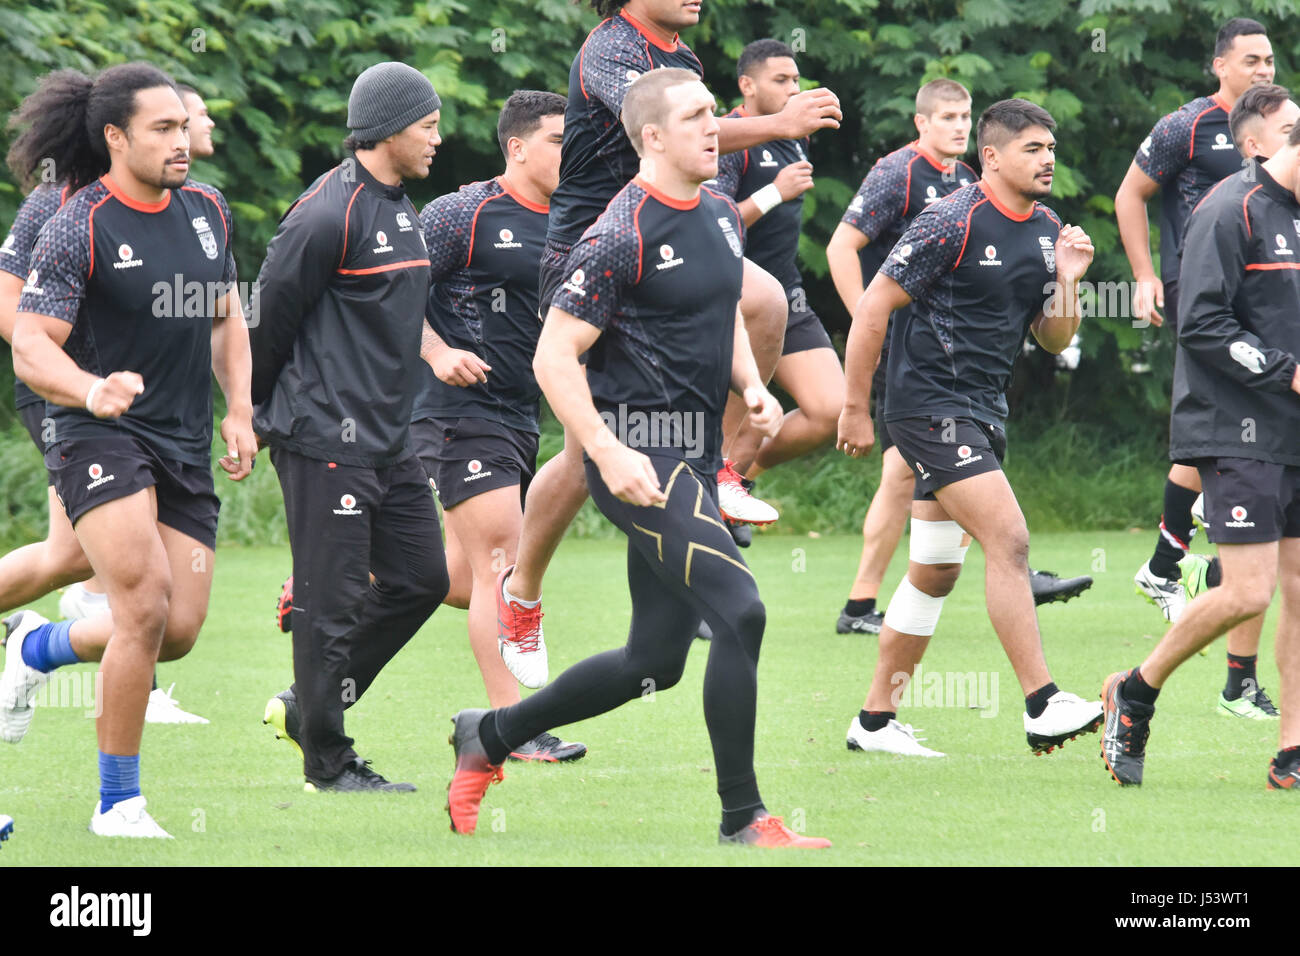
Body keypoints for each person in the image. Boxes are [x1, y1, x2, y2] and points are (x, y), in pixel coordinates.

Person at [447, 69, 830, 849]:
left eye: (711, 115)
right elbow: (556, 357)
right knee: (743, 610)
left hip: (694, 452)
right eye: (694, 118)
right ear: (651, 137)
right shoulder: (620, 233)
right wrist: (605, 450)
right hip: (640, 457)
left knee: (652, 662)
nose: (713, 128)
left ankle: (486, 734)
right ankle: (743, 818)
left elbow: (716, 307)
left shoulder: (720, 211)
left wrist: (753, 385)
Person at [495, 0, 842, 684]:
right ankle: (522, 592)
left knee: (765, 300)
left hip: (671, 237)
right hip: (595, 250)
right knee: (580, 447)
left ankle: (723, 466)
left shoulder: (681, 56)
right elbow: (660, 130)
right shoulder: (609, 49)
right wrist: (776, 124)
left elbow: (695, 145)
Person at [3, 62, 255, 837]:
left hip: (180, 437)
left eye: (185, 126)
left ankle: (36, 646)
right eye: (164, 129)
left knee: (173, 631)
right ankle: (119, 804)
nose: (183, 142)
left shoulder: (208, 209)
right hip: (96, 432)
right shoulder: (77, 221)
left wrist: (239, 408)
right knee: (140, 599)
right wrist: (87, 390)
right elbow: (31, 345)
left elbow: (224, 317)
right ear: (115, 137)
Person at [836, 99, 1103, 758]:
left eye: (1050, 148)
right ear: (992, 156)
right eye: (1033, 149)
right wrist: (851, 408)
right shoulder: (949, 220)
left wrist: (1069, 280)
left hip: (983, 413)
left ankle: (874, 722)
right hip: (928, 408)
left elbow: (1051, 337)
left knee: (933, 571)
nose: (1048, 160)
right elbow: (873, 308)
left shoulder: (1046, 228)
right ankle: (1043, 702)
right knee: (1009, 541)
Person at [253, 62, 450, 793]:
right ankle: (327, 766)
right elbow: (265, 323)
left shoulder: (401, 206)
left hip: (390, 442)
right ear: (388, 129)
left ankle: (307, 709)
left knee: (423, 579)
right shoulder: (324, 214)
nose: (437, 138)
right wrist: (256, 416)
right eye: (426, 126)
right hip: (323, 440)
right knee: (328, 607)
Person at [1100, 121, 1300, 790]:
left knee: (1299, 594)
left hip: (1295, 433)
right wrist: (1285, 370)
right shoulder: (1229, 208)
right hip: (1234, 425)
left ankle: (1291, 753)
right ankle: (1136, 689)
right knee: (1248, 591)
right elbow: (1204, 322)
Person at [411, 90, 584, 760]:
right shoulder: (462, 212)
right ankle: (511, 731)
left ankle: (343, 577)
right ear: (517, 147)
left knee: (449, 579)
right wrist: (438, 351)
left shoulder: (578, 223)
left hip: (520, 414)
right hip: (457, 410)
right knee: (499, 566)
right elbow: (393, 293)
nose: (572, 155)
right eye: (557, 142)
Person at [1117, 17, 1274, 621]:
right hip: (1200, 288)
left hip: (1265, 290)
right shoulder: (1186, 125)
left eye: (1269, 60)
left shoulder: (1279, 129)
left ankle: (1171, 561)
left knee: (1234, 421)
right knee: (1243, 412)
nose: (1263, 70)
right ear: (1221, 66)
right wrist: (1145, 275)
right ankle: (1199, 546)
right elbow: (1129, 195)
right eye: (1251, 60)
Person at [709, 40, 839, 530]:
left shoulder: (796, 137)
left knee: (829, 410)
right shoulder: (724, 138)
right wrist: (773, 192)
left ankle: (736, 480)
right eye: (780, 80)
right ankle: (717, 489)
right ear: (747, 85)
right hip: (736, 299)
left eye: (796, 79)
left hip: (789, 294)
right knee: (745, 407)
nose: (793, 89)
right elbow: (711, 226)